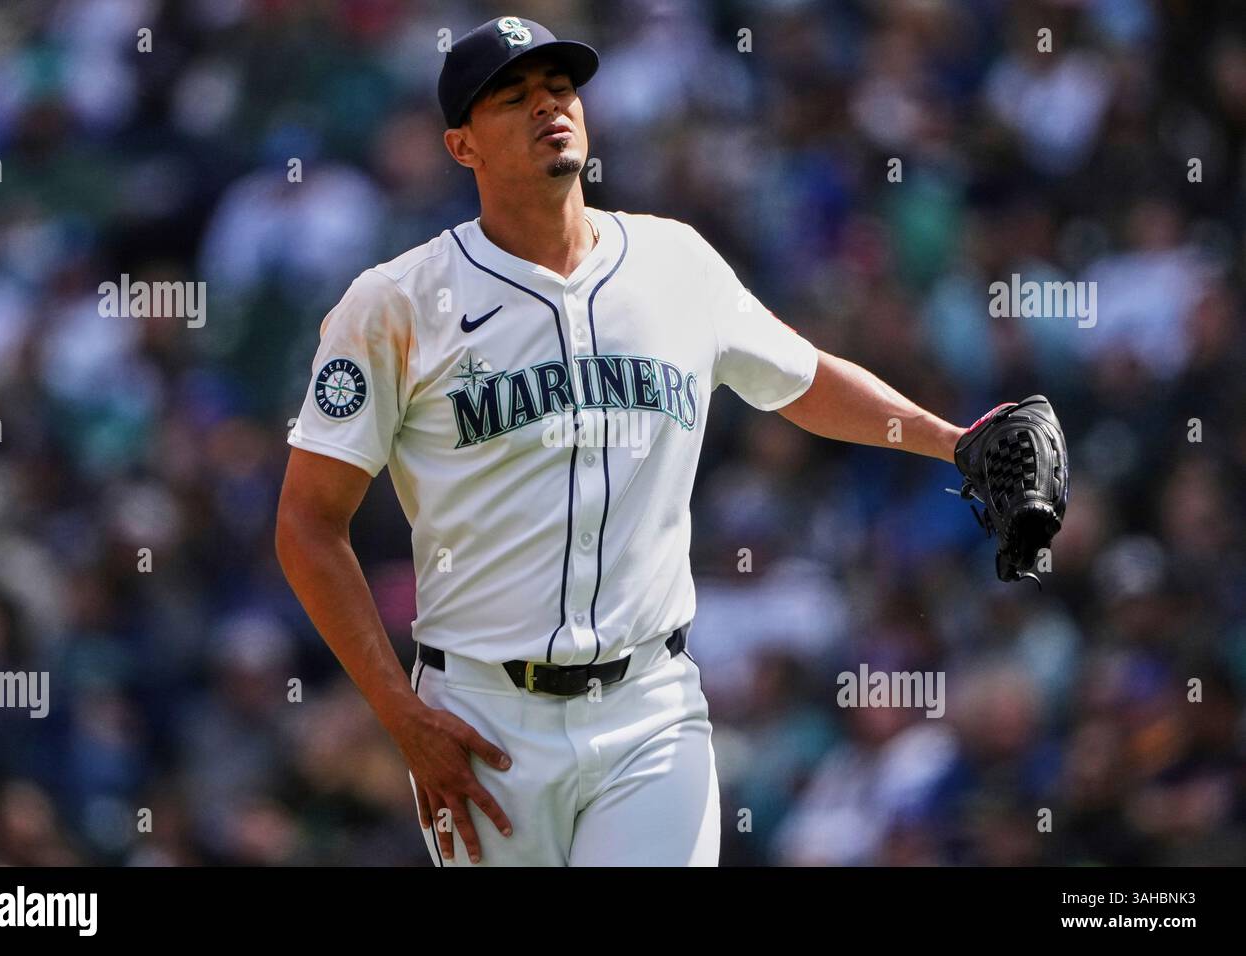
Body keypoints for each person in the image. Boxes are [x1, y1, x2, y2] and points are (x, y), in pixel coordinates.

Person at [275, 15, 966, 866]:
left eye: (561, 90)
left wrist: (954, 442)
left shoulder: (674, 263)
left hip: (651, 708)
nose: (548, 108)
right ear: (462, 147)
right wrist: (400, 715)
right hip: (484, 719)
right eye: (515, 98)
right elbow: (308, 522)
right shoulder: (394, 304)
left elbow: (804, 377)